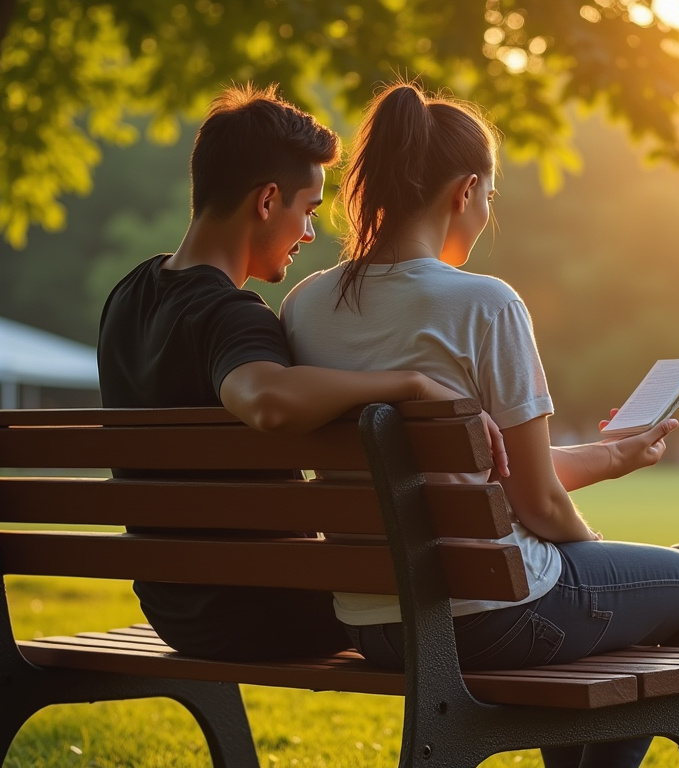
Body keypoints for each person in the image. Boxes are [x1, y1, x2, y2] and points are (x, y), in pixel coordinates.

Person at [279, 84, 679, 768]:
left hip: (375, 623)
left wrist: (612, 456)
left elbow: (473, 480)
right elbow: (537, 503)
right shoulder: (485, 305)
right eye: (490, 198)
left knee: (609, 601)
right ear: (465, 191)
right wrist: (593, 555)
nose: (486, 212)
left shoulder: (304, 306)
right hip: (494, 619)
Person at [96, 84, 510, 662]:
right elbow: (264, 398)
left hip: (171, 606)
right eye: (308, 211)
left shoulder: (128, 294)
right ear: (267, 201)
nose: (310, 235)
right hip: (263, 611)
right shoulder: (233, 316)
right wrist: (409, 382)